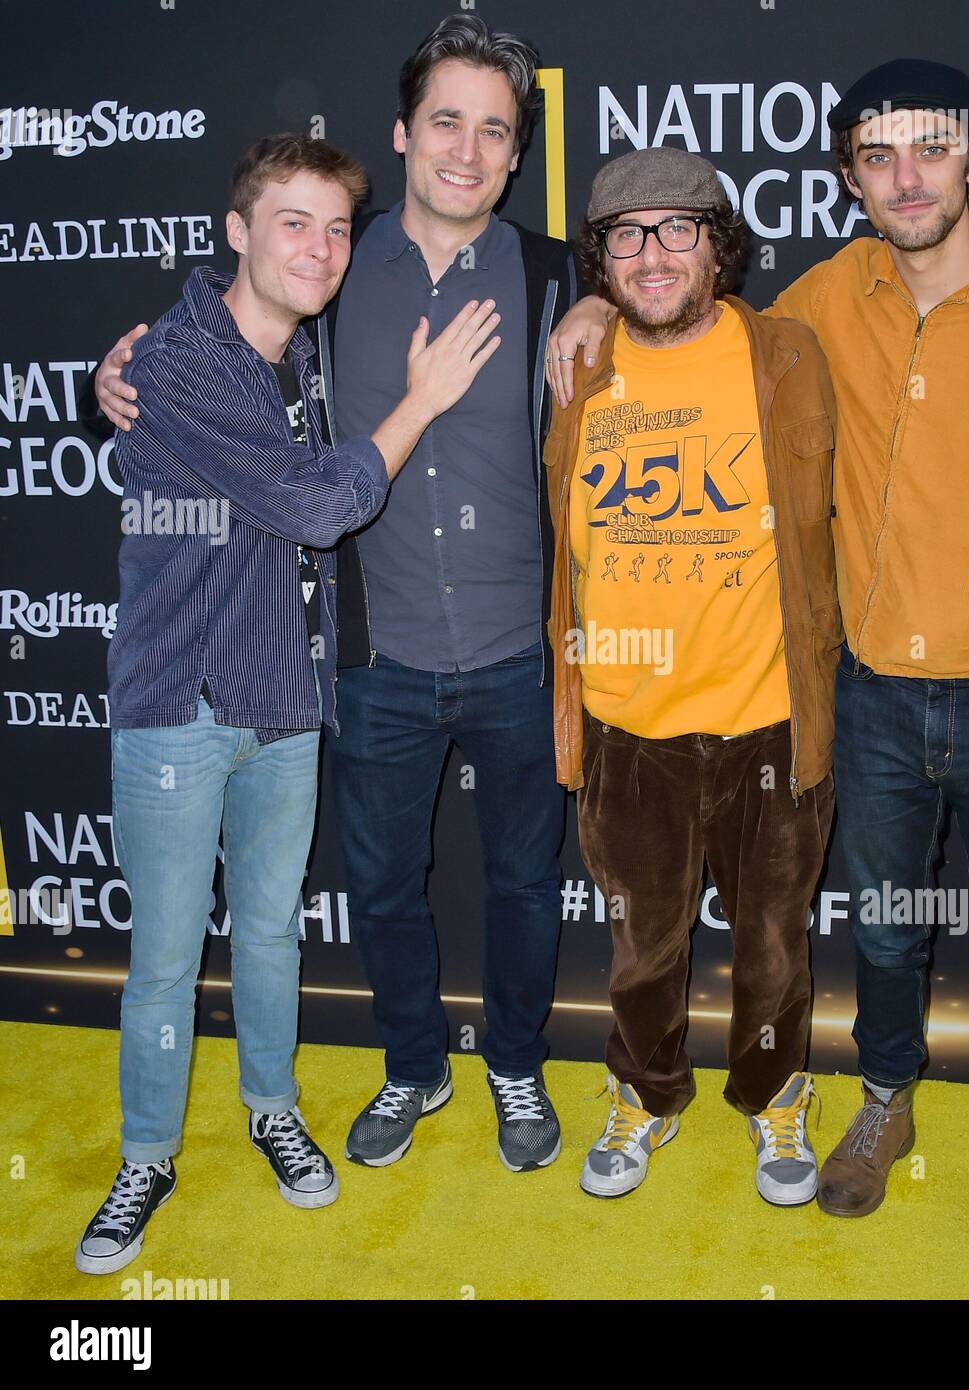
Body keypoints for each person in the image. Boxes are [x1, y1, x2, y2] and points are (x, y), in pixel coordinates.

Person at [546, 60, 969, 1278]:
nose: (905, 176)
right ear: (849, 178)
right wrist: (589, 315)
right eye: (876, 156)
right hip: (869, 696)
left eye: (928, 149)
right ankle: (882, 1104)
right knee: (884, 936)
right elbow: (682, 314)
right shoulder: (822, 305)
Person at [94, 15, 577, 1176]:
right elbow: (215, 340)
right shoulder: (332, 266)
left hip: (523, 651)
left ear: (516, 157)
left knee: (523, 879)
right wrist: (113, 376)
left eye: (494, 131)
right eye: (446, 121)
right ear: (404, 133)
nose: (467, 149)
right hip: (371, 658)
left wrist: (602, 305)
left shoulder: (561, 273)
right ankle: (414, 1067)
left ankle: (514, 1060)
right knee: (385, 888)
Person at [77, 132, 502, 1274]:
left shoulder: (305, 353)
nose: (316, 249)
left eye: (330, 228)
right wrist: (420, 401)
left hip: (285, 699)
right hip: (179, 702)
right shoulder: (178, 361)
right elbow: (317, 507)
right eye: (290, 223)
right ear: (237, 232)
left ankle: (273, 1109)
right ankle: (145, 1158)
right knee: (167, 954)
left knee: (268, 933)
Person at [545, 147, 841, 1203]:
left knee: (773, 945)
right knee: (639, 948)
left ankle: (771, 1093)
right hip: (628, 728)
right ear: (599, 259)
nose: (652, 252)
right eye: (624, 235)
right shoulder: (574, 369)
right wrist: (581, 315)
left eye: (679, 229)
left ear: (719, 246)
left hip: (769, 720)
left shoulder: (791, 355)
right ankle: (643, 1090)